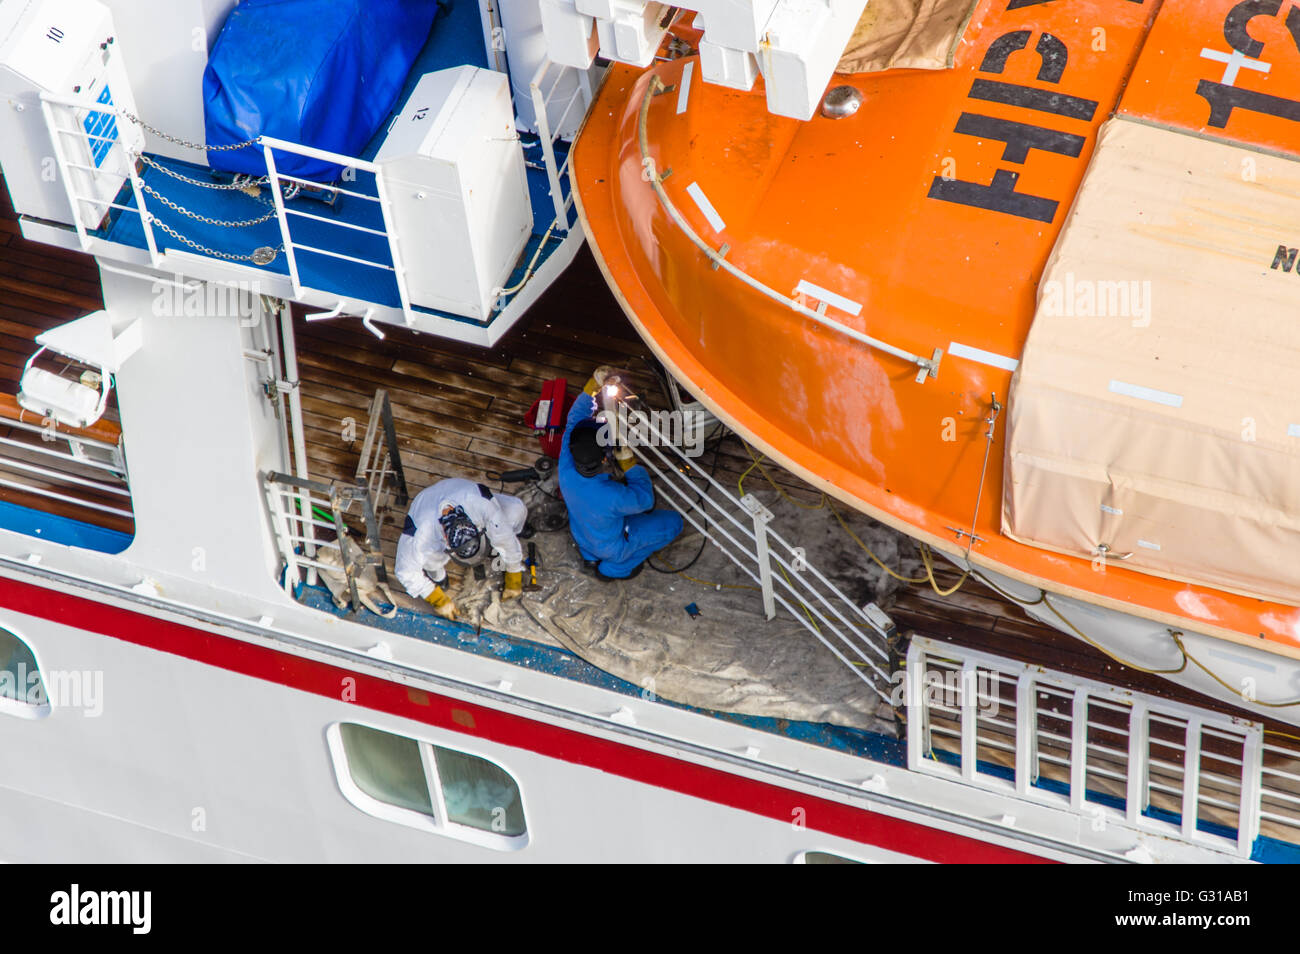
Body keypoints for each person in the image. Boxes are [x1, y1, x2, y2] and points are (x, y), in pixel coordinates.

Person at [558, 367, 683, 579]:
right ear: (606, 458)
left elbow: (574, 420)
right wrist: (630, 466)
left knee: (593, 527)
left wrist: (592, 388)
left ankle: (589, 555)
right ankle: (614, 568)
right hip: (611, 546)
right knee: (673, 523)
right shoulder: (614, 496)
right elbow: (645, 501)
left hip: (583, 535)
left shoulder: (566, 464)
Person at [394, 477, 529, 620]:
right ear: (446, 539)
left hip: (462, 492)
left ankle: (516, 530)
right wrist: (438, 600)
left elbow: (505, 538)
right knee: (432, 561)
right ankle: (439, 577)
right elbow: (405, 571)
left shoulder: (481, 505)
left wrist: (514, 574)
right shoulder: (420, 537)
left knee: (516, 510)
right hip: (428, 504)